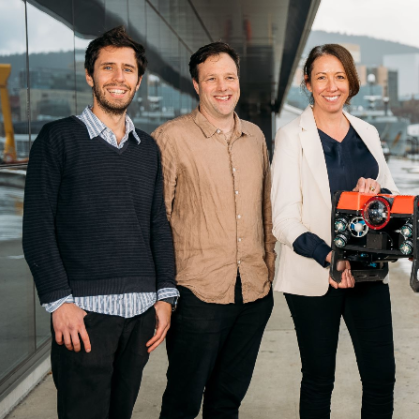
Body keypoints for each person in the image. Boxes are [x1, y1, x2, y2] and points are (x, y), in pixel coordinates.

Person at [22, 26, 177, 419]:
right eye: (108, 68)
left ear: (138, 81)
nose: (118, 77)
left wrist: (164, 296)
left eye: (127, 69)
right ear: (90, 76)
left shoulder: (148, 149)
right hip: (84, 315)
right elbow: (37, 228)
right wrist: (60, 303)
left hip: (141, 312)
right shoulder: (58, 139)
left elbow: (158, 224)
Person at [271, 44, 399, 418]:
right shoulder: (291, 136)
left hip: (368, 273)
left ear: (351, 82)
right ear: (307, 82)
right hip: (315, 275)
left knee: (381, 378)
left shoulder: (368, 132)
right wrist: (331, 257)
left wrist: (378, 195)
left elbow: (392, 196)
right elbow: (283, 218)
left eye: (340, 76)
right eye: (322, 76)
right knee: (318, 378)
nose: (332, 85)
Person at [153, 42, 276, 418]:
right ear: (196, 85)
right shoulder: (170, 139)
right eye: (211, 79)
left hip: (254, 292)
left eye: (230, 77)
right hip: (197, 295)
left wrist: (269, 267)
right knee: (183, 401)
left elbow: (266, 208)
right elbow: (156, 218)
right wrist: (163, 292)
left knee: (228, 401)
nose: (222, 86)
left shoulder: (255, 138)